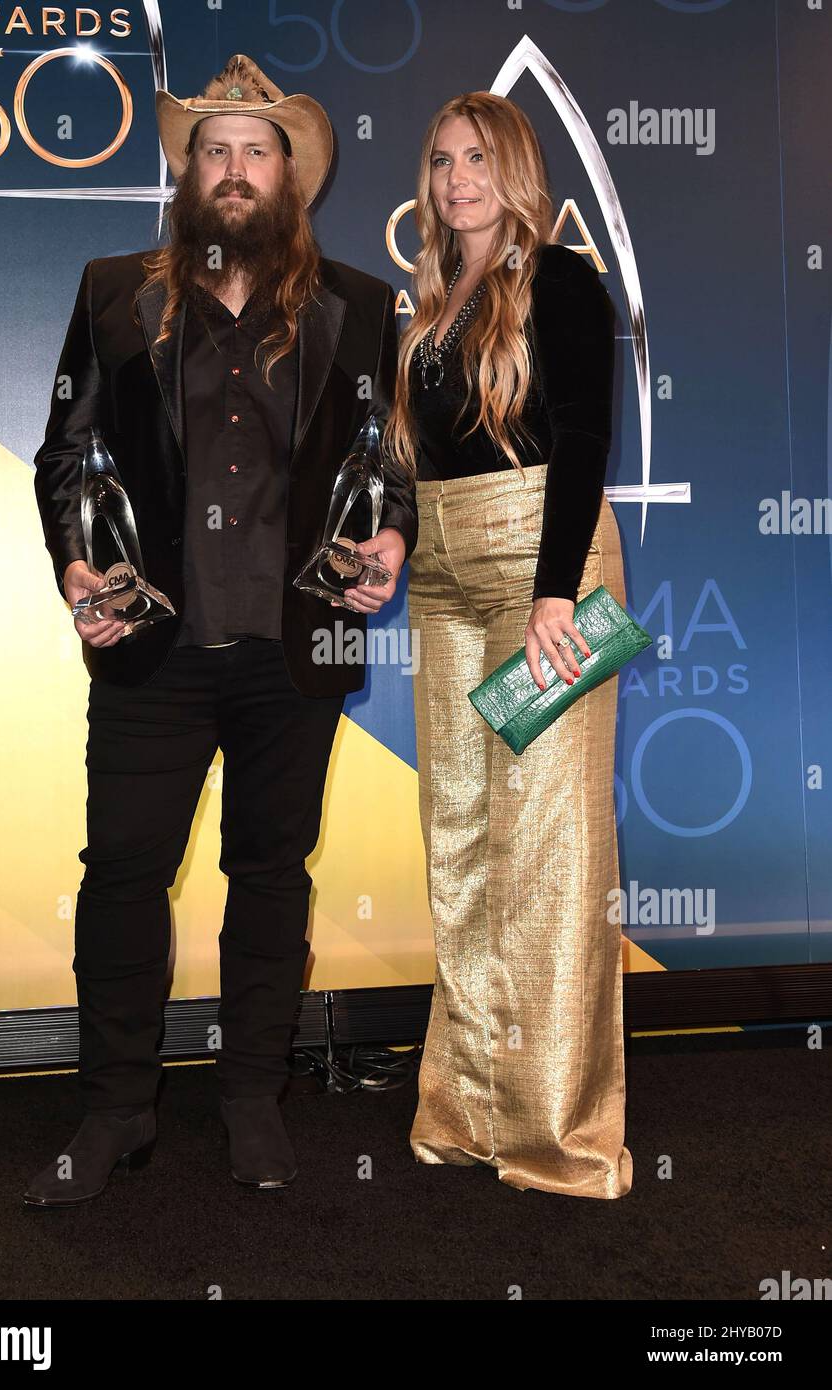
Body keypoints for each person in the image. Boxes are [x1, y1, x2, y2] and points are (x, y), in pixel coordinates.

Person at [26, 53, 417, 1206]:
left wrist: (387, 542)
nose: (234, 168)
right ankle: (115, 1110)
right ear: (188, 170)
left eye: (256, 149)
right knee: (121, 874)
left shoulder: (360, 304)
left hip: (301, 645)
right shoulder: (113, 291)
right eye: (214, 148)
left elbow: (381, 467)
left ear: (288, 174)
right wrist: (75, 562)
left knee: (271, 871)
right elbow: (64, 454)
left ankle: (252, 1094)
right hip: (151, 647)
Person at [379, 92, 632, 1198]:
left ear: (515, 167)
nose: (454, 179)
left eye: (476, 158)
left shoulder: (563, 279)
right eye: (440, 161)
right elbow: (419, 467)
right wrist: (386, 546)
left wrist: (551, 596)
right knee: (463, 846)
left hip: (548, 567)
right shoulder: (433, 309)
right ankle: (470, 1112)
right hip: (439, 574)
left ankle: (559, 1138)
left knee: (549, 858)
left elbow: (582, 436)